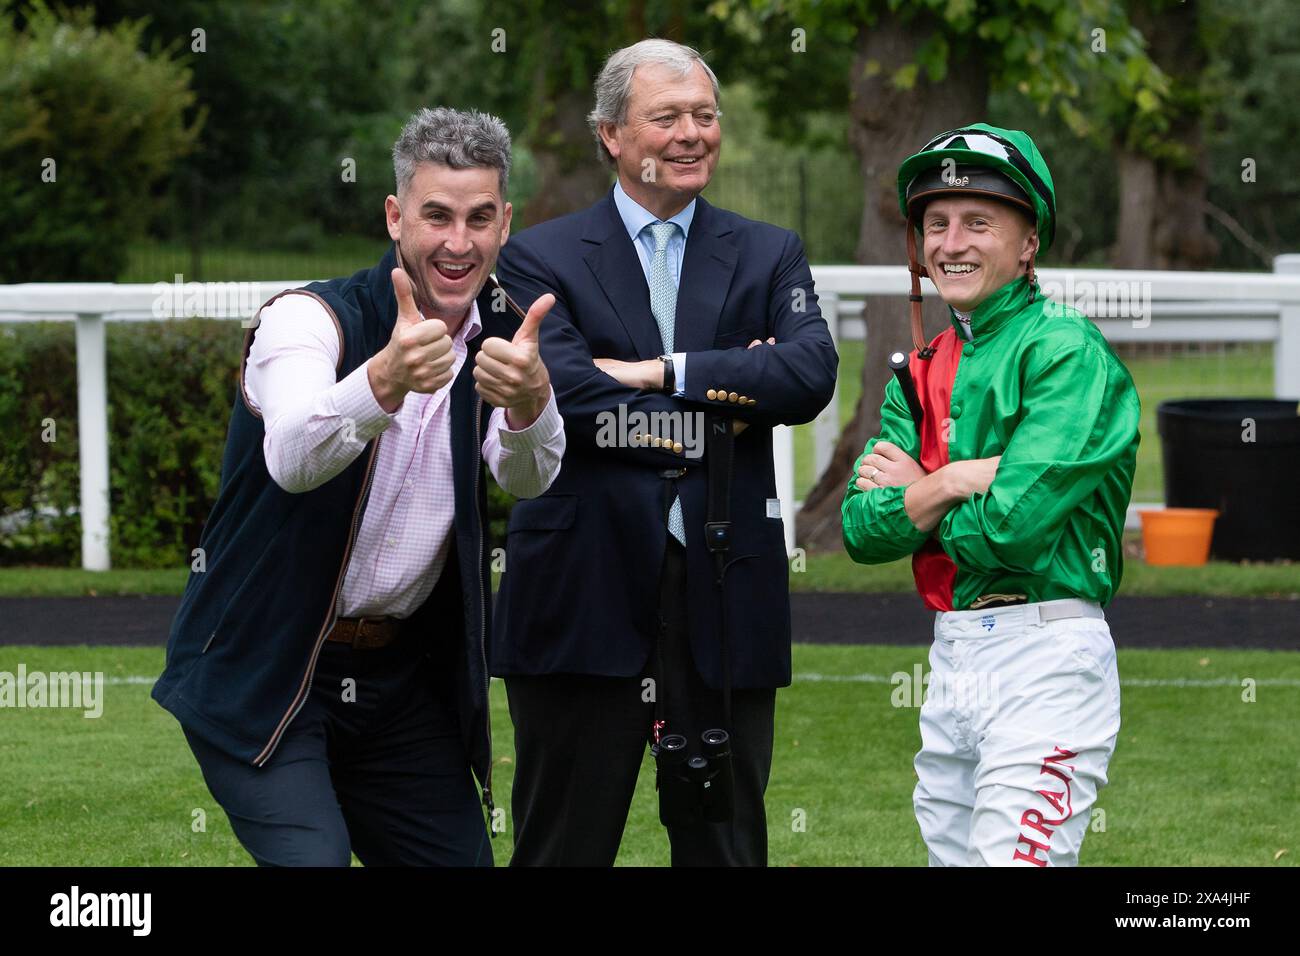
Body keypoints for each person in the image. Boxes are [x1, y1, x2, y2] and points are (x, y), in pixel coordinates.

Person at [151, 107, 565, 866]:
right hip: (265, 665)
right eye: (436, 215)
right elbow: (293, 457)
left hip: (399, 681)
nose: (458, 242)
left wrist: (534, 401)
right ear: (394, 215)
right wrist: (383, 380)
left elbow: (529, 477)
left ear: (506, 224)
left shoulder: (512, 330)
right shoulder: (309, 319)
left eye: (479, 218)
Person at [492, 39, 838, 867]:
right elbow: (568, 398)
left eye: (705, 116)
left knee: (725, 848)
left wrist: (660, 373)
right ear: (611, 134)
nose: (691, 134)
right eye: (667, 117)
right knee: (560, 848)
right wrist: (727, 409)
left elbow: (808, 375)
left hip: (726, 593)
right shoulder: (536, 257)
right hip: (583, 588)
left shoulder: (769, 252)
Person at [842, 123, 1140, 867]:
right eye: (936, 224)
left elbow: (1013, 532)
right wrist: (954, 481)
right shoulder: (920, 367)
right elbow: (861, 529)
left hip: (1048, 656)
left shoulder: (1068, 353)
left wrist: (922, 498)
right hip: (951, 661)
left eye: (978, 221)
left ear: (1028, 242)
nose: (952, 243)